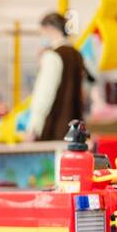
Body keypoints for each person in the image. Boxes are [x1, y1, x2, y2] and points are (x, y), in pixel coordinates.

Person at [25, 12, 87, 142]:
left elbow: (44, 94)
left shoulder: (52, 56)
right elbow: (83, 93)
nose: (42, 37)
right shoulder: (77, 55)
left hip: (53, 129)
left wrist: (33, 127)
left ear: (50, 29)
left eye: (42, 33)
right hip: (75, 130)